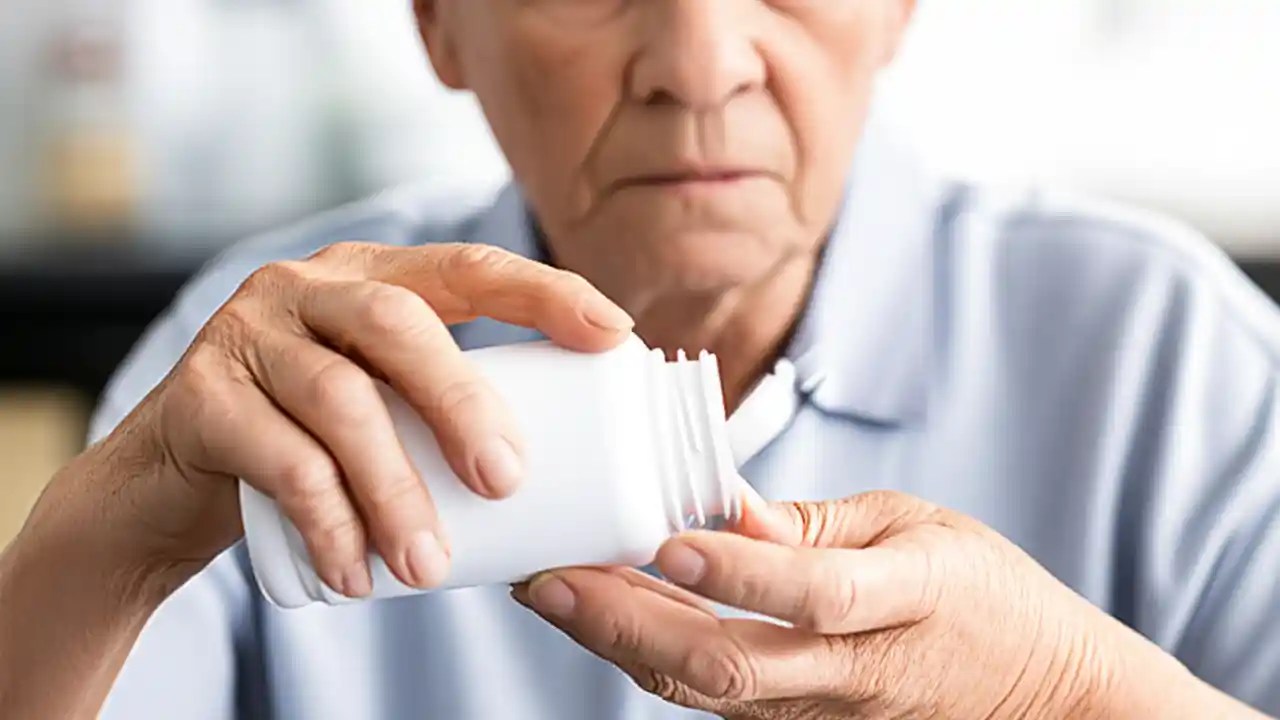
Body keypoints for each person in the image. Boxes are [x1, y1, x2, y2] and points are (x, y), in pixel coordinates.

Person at [2, 1, 1278, 717]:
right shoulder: (270, 377)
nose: (698, 59)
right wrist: (109, 534)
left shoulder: (1165, 358)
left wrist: (1066, 697)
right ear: (440, 27)